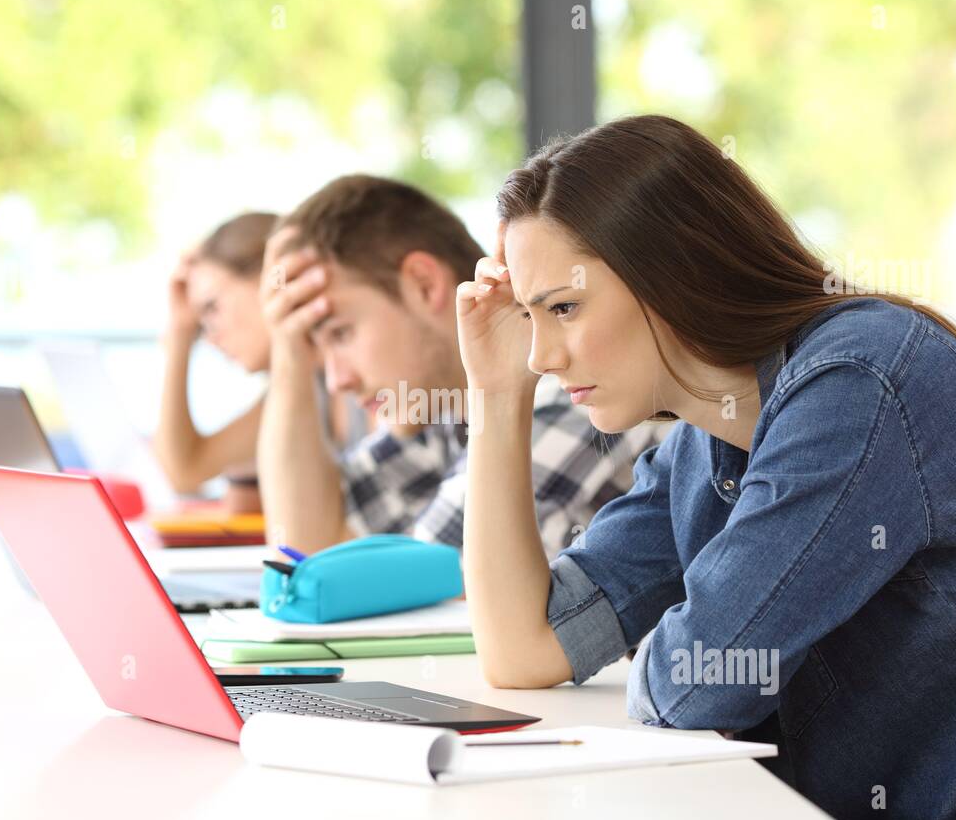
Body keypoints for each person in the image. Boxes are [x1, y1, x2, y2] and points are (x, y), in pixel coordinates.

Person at [456, 114, 956, 820]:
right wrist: (495, 397)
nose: (540, 355)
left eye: (562, 308)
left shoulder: (858, 381)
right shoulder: (705, 442)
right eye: (530, 316)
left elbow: (698, 679)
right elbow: (522, 649)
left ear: (675, 273)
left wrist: (677, 640)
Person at [255, 174, 665, 556]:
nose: (337, 381)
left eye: (340, 334)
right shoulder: (440, 413)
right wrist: (287, 356)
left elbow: (409, 579)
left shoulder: (565, 390)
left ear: (424, 284)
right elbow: (303, 545)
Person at [154, 213, 365, 494]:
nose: (211, 337)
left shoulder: (367, 368)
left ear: (270, 275)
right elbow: (184, 471)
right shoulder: (303, 388)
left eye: (211, 308)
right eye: (199, 326)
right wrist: (180, 334)